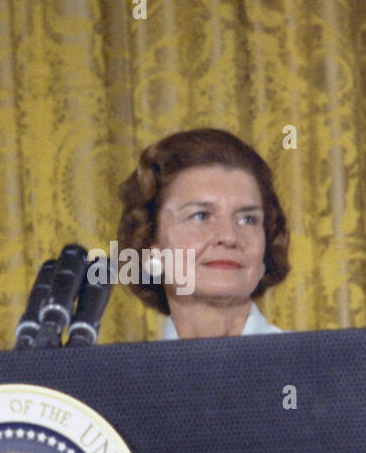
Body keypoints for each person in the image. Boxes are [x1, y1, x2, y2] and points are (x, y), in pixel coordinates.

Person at [116, 128, 289, 339]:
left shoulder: (317, 367)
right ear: (151, 243)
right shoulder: (128, 372)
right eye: (201, 216)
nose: (229, 237)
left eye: (247, 219)